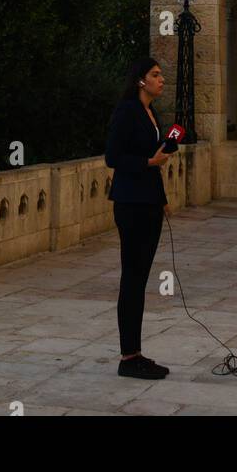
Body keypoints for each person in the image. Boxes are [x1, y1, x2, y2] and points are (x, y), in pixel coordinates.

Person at [105, 56, 172, 380]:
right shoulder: (127, 111)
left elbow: (152, 161)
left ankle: (136, 352)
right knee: (132, 278)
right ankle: (128, 357)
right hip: (130, 204)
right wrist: (148, 161)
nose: (162, 80)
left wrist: (161, 199)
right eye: (155, 75)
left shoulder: (151, 113)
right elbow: (113, 157)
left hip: (148, 202)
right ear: (140, 80)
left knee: (140, 278)